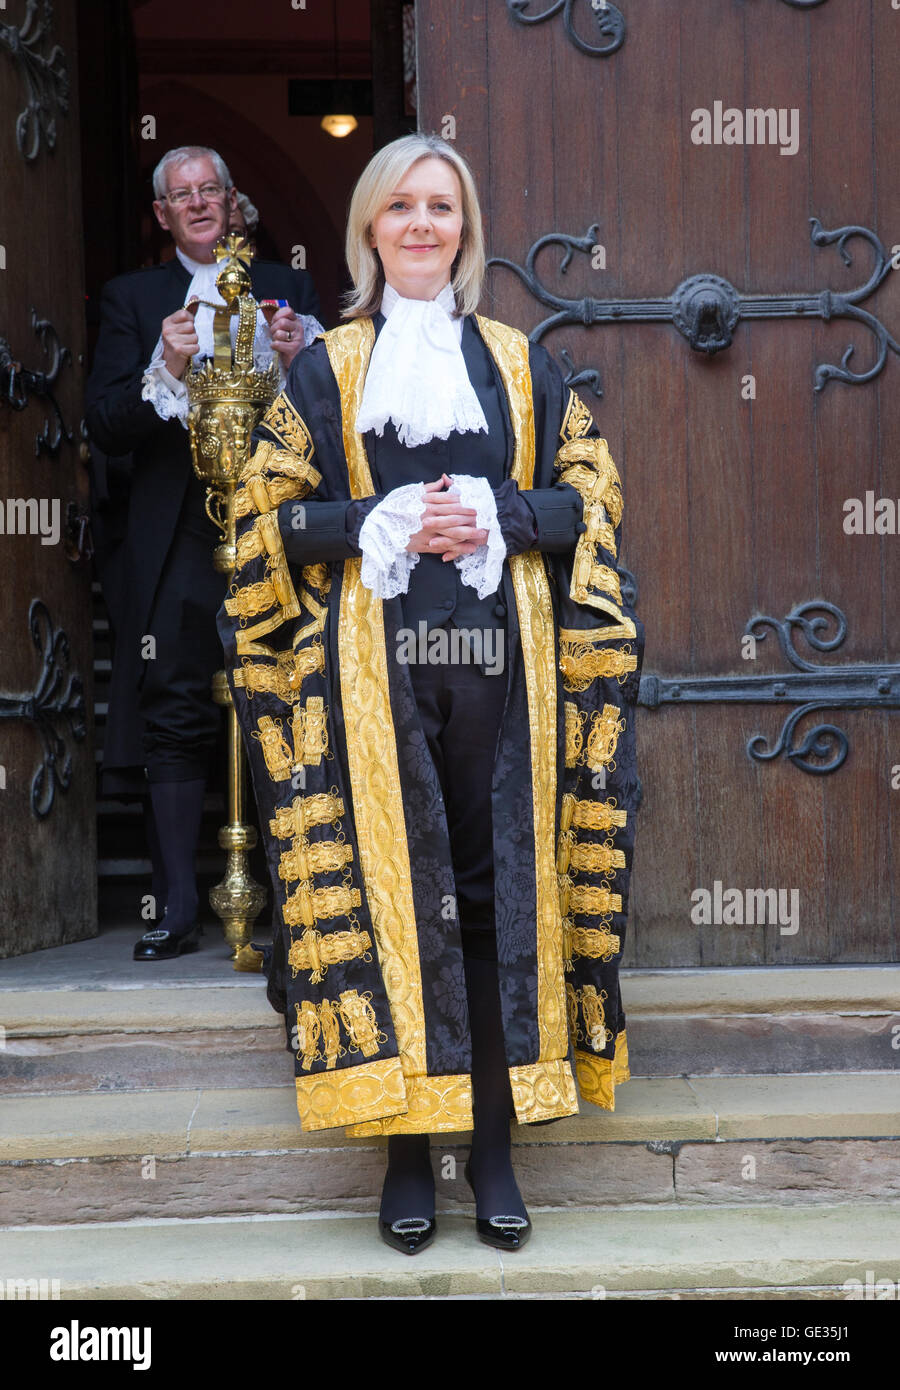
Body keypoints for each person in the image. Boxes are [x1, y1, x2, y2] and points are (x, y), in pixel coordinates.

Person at [217, 133, 644, 1253]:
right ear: (369, 227)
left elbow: (590, 504)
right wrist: (376, 522)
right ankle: (408, 1161)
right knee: (399, 906)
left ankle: (494, 1155)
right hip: (377, 683)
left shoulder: (519, 362)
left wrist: (502, 511)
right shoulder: (325, 370)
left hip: (507, 673)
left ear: (465, 230)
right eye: (399, 206)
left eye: (440, 208)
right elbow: (265, 528)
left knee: (496, 894)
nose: (420, 225)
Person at [84, 145, 323, 961]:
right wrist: (171, 363)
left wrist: (300, 362)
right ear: (162, 215)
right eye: (179, 195)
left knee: (288, 693)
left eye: (208, 189)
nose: (196, 203)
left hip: (272, 519)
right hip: (177, 526)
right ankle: (177, 907)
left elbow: (333, 418)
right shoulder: (132, 298)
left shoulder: (286, 291)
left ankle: (299, 905)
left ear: (230, 199)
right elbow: (106, 423)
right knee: (177, 701)